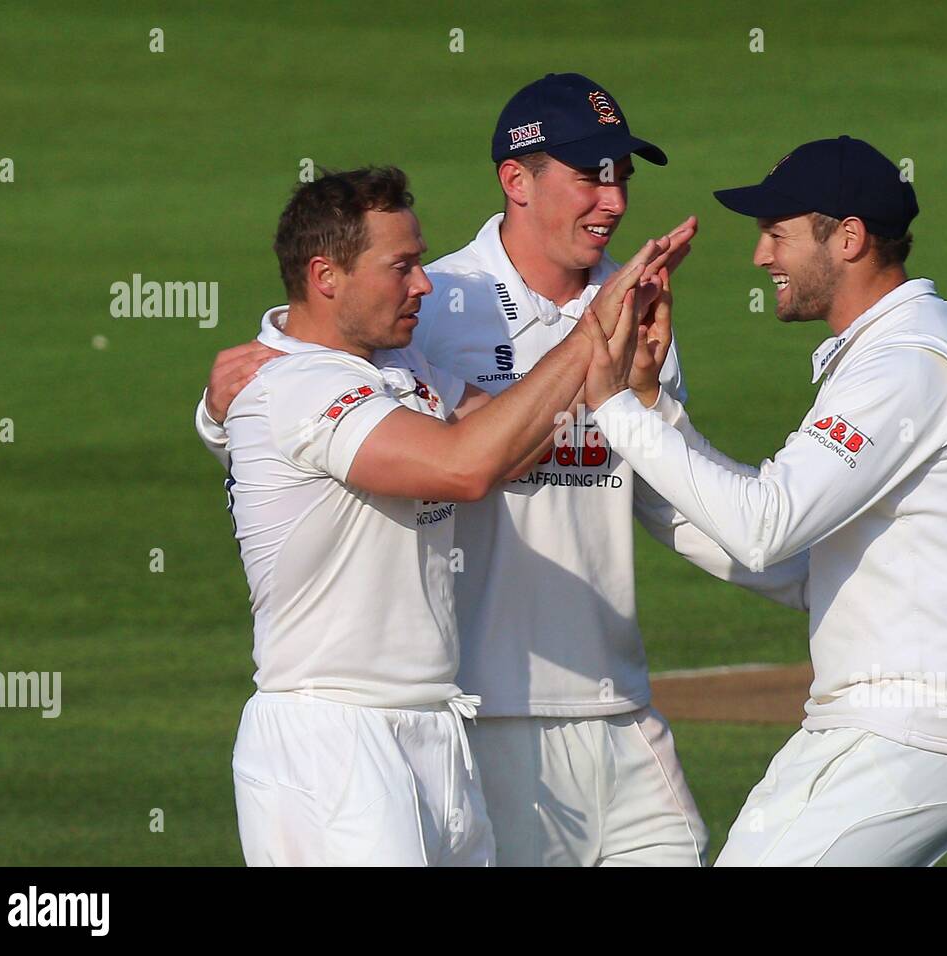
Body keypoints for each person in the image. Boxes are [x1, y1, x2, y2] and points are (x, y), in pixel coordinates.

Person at [198, 74, 808, 867]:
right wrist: (214, 417)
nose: (615, 200)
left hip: (615, 704)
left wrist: (807, 578)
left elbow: (662, 489)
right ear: (517, 180)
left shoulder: (629, 305)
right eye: (592, 175)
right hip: (482, 714)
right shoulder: (430, 306)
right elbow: (308, 411)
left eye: (623, 176)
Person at [586, 136, 947, 866]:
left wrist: (610, 405)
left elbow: (764, 527)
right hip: (881, 720)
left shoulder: (906, 366)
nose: (761, 257)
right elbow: (793, 565)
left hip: (913, 723)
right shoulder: (886, 354)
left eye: (778, 234)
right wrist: (647, 410)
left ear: (848, 238)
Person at [219, 164, 665, 866]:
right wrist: (586, 334)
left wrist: (620, 375)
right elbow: (463, 467)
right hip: (333, 737)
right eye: (401, 266)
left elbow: (511, 445)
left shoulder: (402, 367)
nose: (423, 283)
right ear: (324, 275)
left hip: (435, 725)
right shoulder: (295, 385)